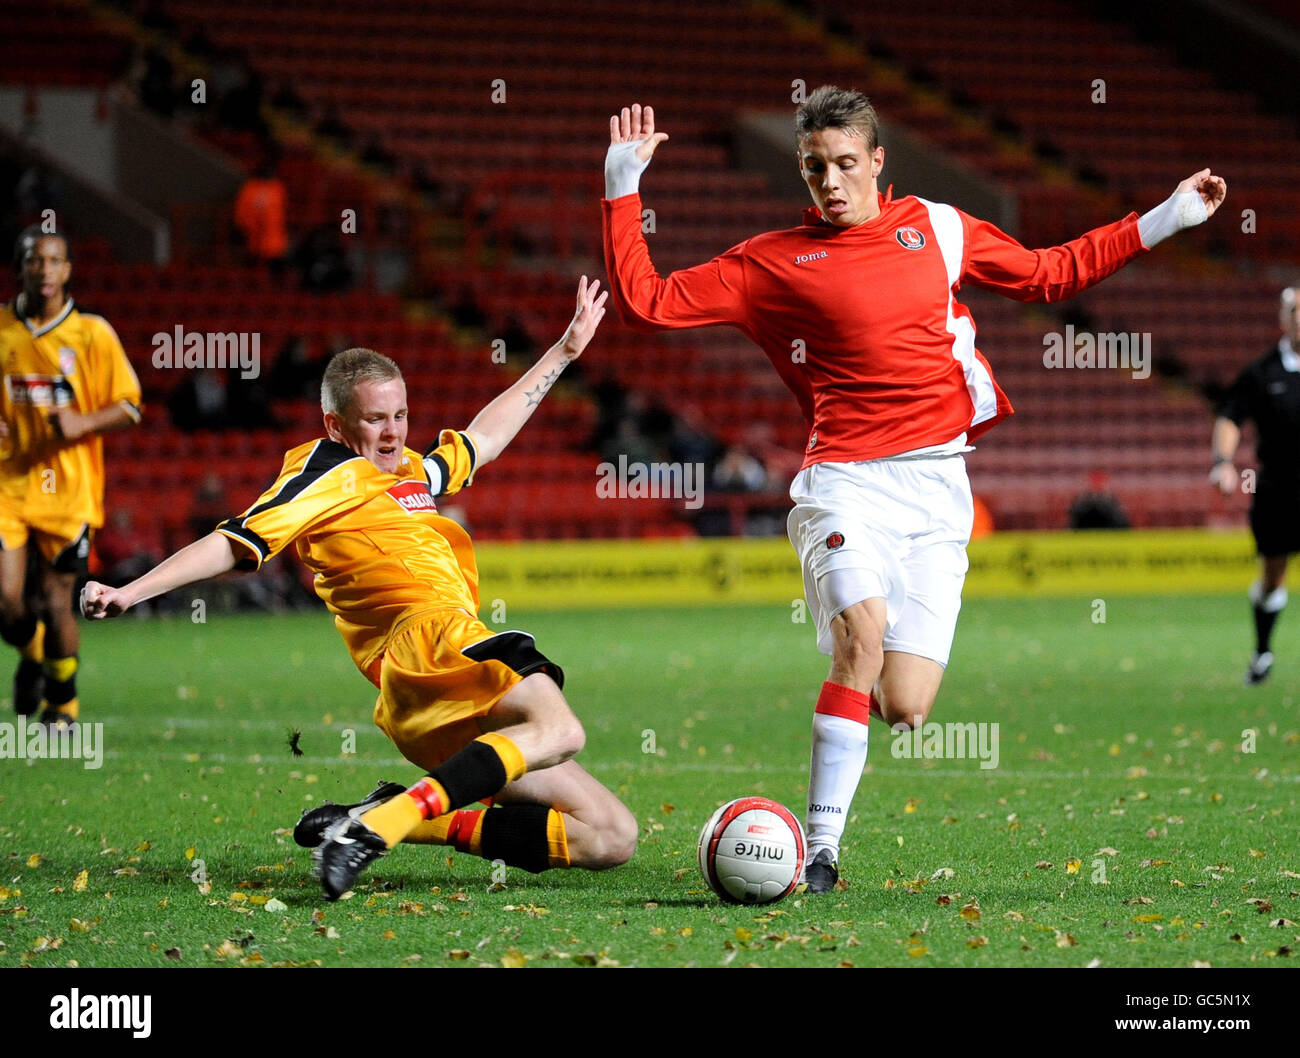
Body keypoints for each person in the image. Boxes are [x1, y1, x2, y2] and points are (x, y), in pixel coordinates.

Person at [601, 89, 1227, 893]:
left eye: (845, 164)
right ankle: (820, 852)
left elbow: (1049, 273)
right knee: (862, 638)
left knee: (906, 705)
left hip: (938, 492)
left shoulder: (936, 227)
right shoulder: (770, 261)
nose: (830, 181)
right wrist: (624, 186)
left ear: (878, 163)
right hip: (844, 483)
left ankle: (849, 713)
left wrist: (1165, 216)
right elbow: (645, 302)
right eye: (814, 167)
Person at [81, 277, 638, 901]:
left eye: (400, 414)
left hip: (427, 694)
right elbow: (236, 541)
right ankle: (383, 826)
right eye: (376, 419)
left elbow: (484, 437)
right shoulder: (326, 470)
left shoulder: (410, 474)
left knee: (610, 835)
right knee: (562, 729)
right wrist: (134, 590)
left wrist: (563, 351)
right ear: (336, 424)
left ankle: (377, 816)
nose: (394, 432)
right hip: (434, 642)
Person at [0, 226, 143, 726]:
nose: (44, 270)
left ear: (68, 270)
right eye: (34, 260)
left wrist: (83, 421)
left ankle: (62, 702)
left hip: (68, 490)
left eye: (54, 260)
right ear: (19, 267)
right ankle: (34, 652)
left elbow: (129, 405)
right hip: (8, 487)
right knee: (6, 600)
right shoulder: (2, 330)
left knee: (57, 600)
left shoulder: (91, 333)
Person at [1210, 285, 1300, 685]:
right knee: (1272, 574)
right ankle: (1262, 652)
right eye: (1293, 310)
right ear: (1282, 319)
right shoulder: (1262, 372)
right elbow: (1230, 417)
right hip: (1279, 489)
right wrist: (1224, 463)